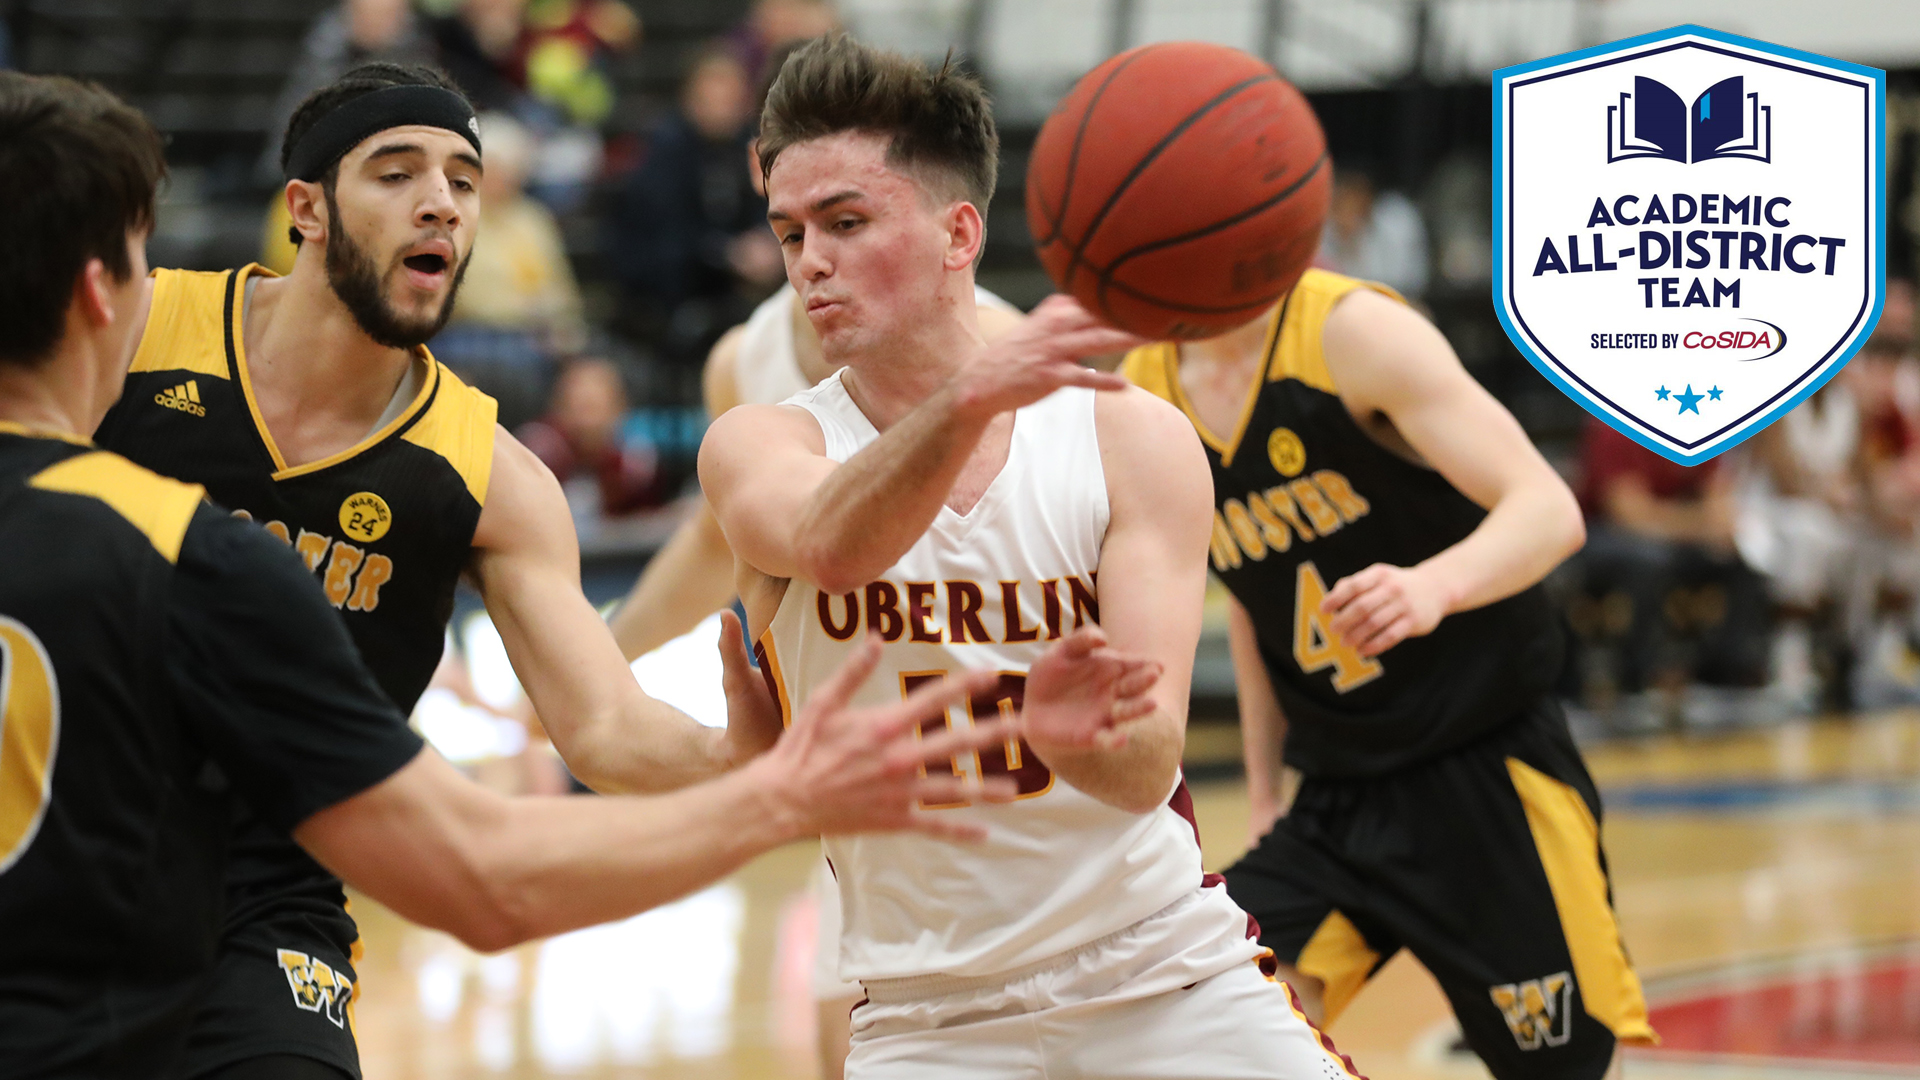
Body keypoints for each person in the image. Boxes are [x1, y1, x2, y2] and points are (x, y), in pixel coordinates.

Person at [0, 68, 1086, 1080]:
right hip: (56, 828)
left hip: (266, 905)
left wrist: (736, 758)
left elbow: (604, 729)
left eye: (464, 182)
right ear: (306, 208)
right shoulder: (130, 324)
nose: (442, 205)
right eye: (397, 174)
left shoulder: (485, 473)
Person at [701, 36, 1362, 1078]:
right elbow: (831, 542)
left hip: (1162, 973)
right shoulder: (762, 443)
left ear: (958, 231)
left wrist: (1074, 739)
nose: (808, 263)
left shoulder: (1130, 438)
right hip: (928, 1017)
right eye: (789, 234)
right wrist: (967, 401)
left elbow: (1148, 765)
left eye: (845, 222)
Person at [1121, 259, 1653, 1071]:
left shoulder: (1347, 331)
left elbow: (1548, 510)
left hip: (1487, 771)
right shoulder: (1146, 387)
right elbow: (1262, 611)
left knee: (1561, 1067)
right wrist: (1264, 791)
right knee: (1210, 1023)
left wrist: (1432, 587)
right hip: (1340, 797)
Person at [607, 278, 1024, 1079]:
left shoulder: (996, 338)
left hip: (1001, 755)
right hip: (859, 769)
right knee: (847, 1040)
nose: (822, 253)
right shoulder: (743, 361)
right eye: (796, 225)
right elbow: (710, 543)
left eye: (847, 215)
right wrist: (602, 655)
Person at [612, 44, 784, 380]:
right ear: (690, 97)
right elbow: (661, 240)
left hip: (734, 293)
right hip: (671, 296)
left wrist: (767, 243)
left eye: (731, 97)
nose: (722, 107)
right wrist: (728, 254)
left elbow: (763, 209)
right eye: (712, 95)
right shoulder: (663, 153)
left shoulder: (747, 149)